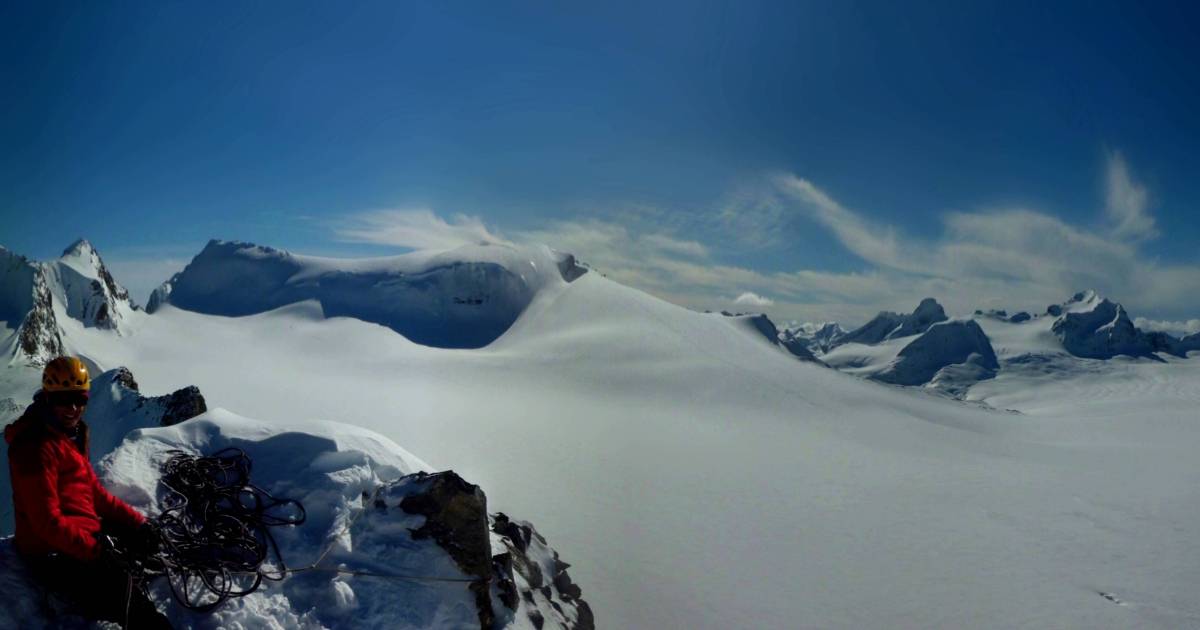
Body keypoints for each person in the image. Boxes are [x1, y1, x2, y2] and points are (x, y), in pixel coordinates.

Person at [5, 356, 172, 629]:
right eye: (63, 399)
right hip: (51, 552)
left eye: (79, 400)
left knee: (141, 545)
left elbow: (91, 492)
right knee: (132, 604)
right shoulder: (35, 448)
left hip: (78, 532)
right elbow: (46, 522)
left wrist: (136, 524)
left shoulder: (70, 434)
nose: (72, 408)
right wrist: (93, 552)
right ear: (48, 398)